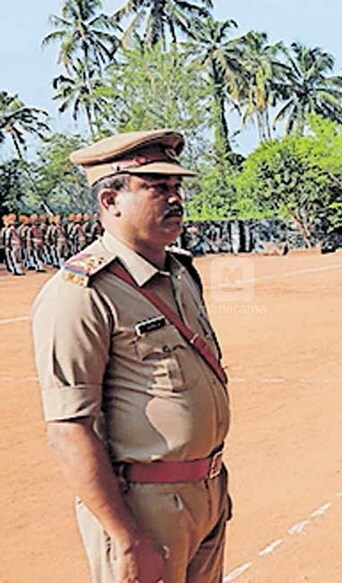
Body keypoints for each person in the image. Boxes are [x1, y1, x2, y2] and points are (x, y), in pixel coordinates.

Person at [32, 130, 231, 583]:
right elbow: (68, 430)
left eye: (177, 187)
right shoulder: (81, 294)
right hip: (143, 508)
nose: (175, 199)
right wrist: (125, 537)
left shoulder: (180, 274)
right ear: (110, 200)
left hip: (206, 492)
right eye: (157, 187)